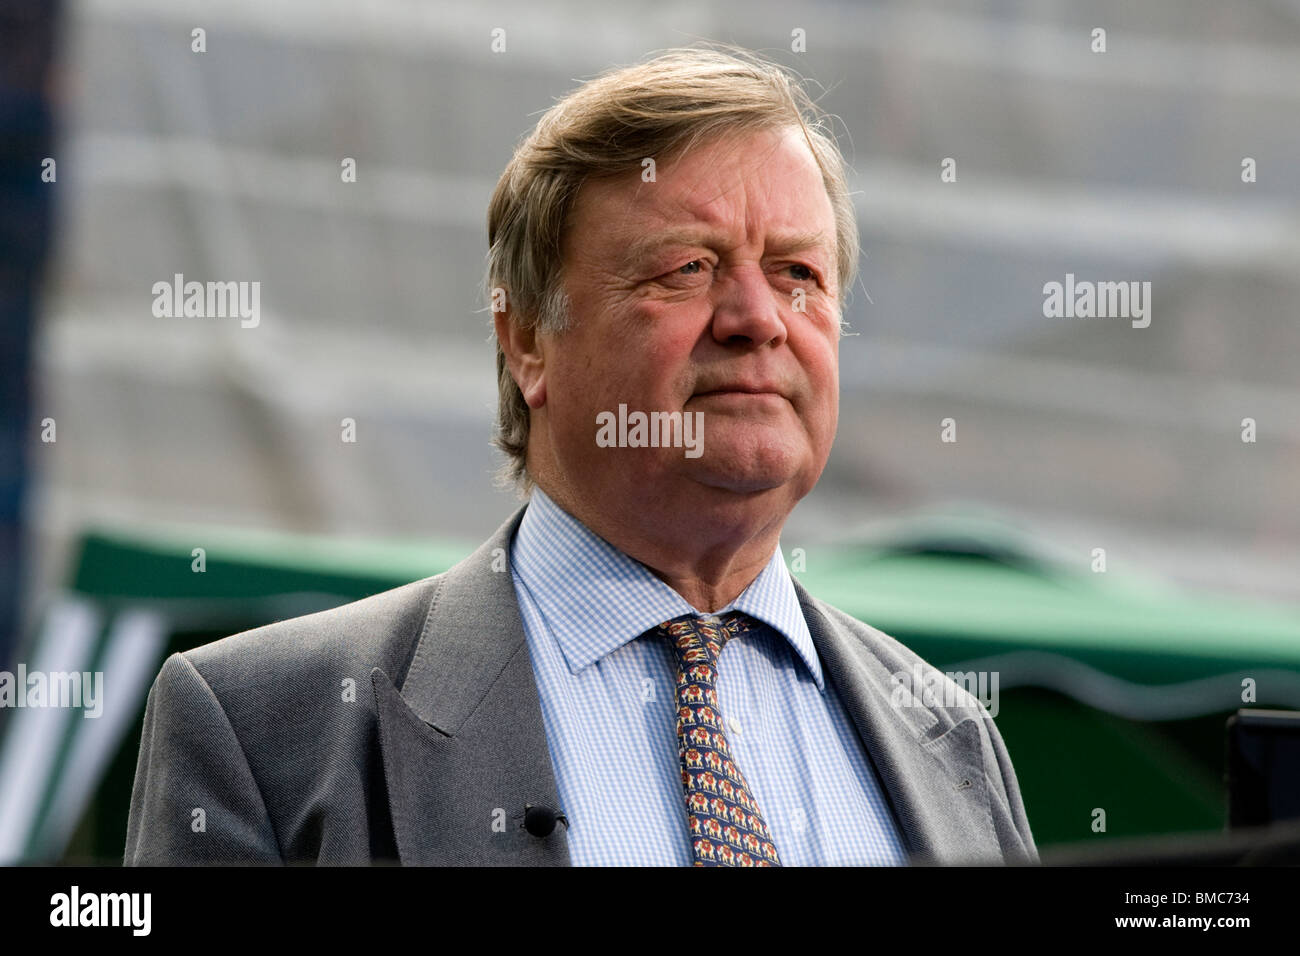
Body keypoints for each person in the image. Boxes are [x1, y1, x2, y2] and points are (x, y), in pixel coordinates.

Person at [125, 46, 1037, 867]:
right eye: (687, 268)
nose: (758, 318)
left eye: (799, 273)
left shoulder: (950, 735)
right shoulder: (265, 728)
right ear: (527, 341)